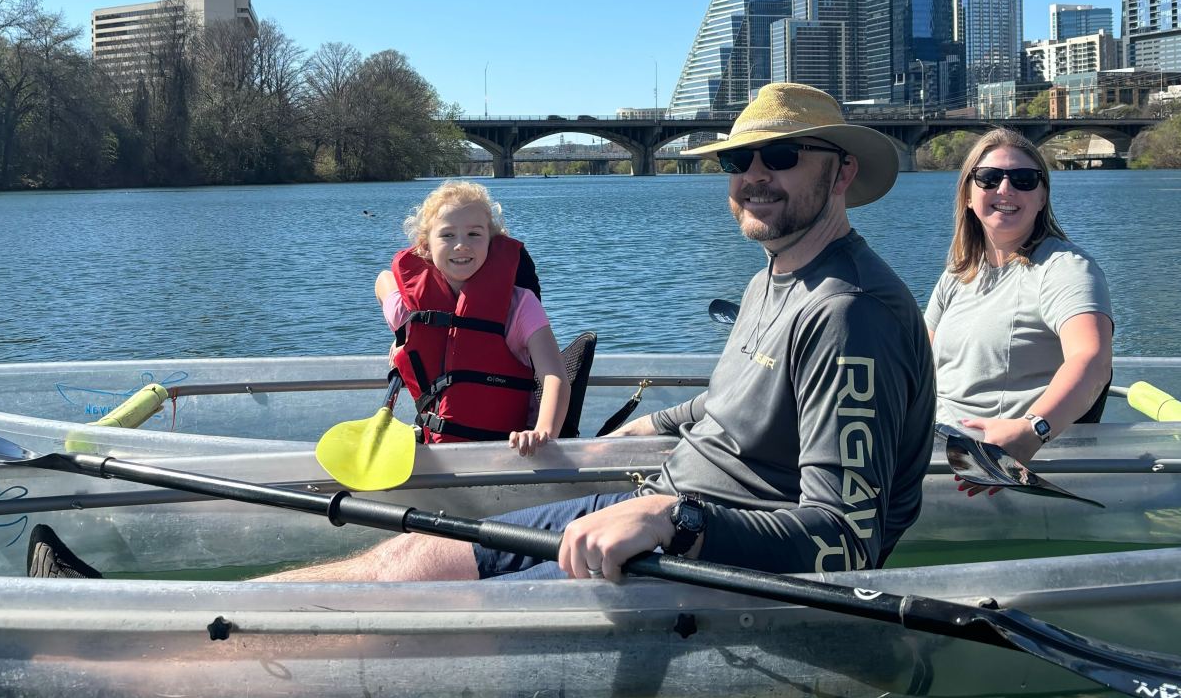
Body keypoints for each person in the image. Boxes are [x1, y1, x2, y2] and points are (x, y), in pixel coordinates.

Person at [251, 82, 935, 585]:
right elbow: (736, 404)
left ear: (841, 172)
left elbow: (847, 541)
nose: (755, 176)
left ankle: (191, 662)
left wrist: (678, 522)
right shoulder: (774, 277)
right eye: (739, 161)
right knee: (404, 563)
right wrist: (650, 426)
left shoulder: (852, 313)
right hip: (658, 505)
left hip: (700, 559)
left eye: (780, 156)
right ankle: (182, 621)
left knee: (401, 614)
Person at [926, 127, 1113, 465]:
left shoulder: (1064, 268)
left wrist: (1032, 429)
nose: (1005, 188)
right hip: (935, 454)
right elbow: (917, 365)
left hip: (1001, 467)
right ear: (968, 194)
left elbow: (1092, 360)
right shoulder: (957, 275)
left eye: (1024, 179)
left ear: (1042, 196)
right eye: (988, 178)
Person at [380, 180, 568, 455]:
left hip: (511, 451)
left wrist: (543, 433)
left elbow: (554, 375)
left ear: (492, 243)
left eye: (474, 234)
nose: (461, 245)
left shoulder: (520, 306)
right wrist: (402, 335)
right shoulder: (409, 311)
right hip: (441, 456)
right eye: (447, 235)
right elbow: (384, 280)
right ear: (426, 247)